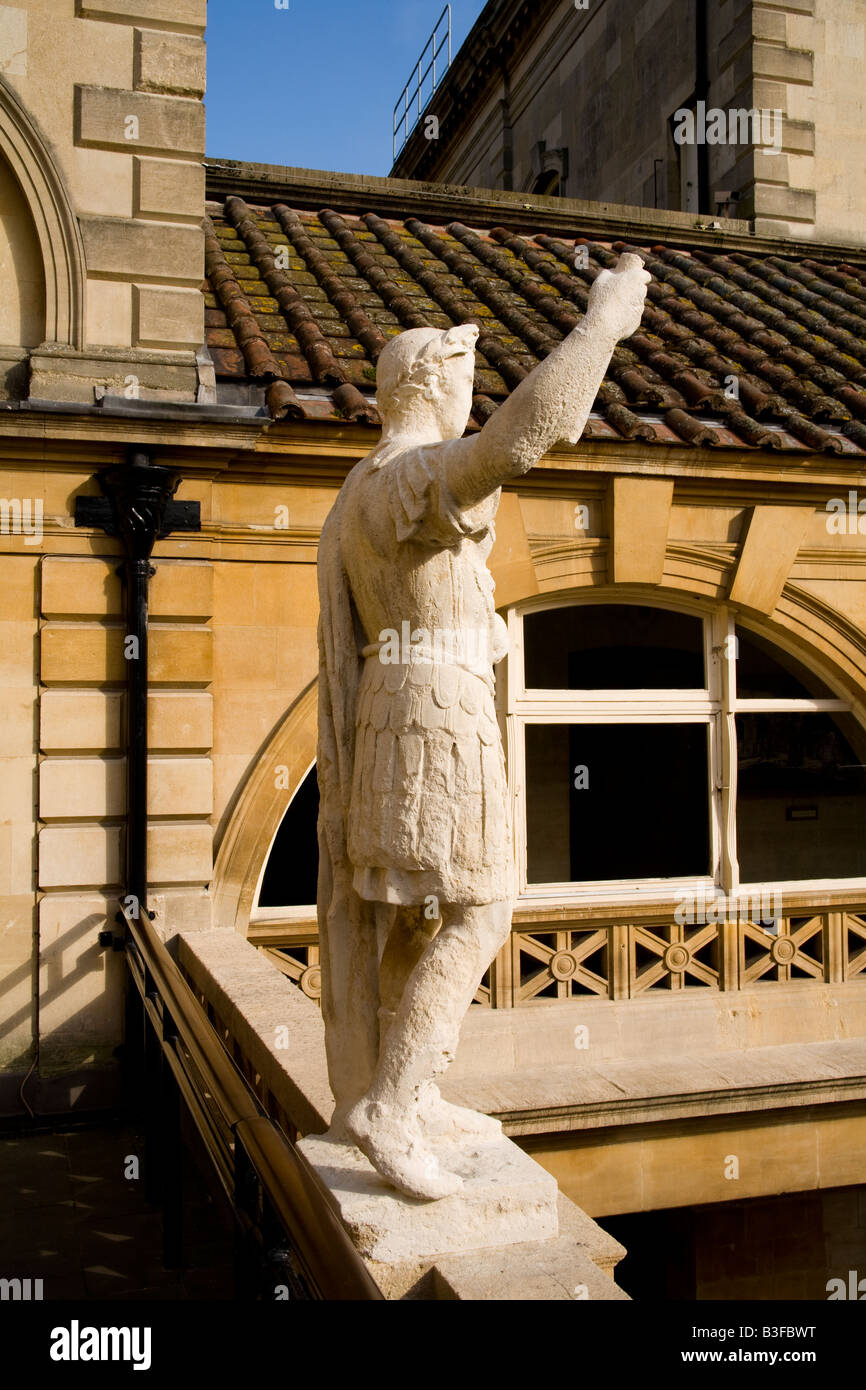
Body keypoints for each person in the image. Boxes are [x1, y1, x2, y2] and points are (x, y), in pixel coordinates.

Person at [316, 251, 650, 1199]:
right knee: (481, 906)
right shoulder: (405, 477)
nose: (474, 395)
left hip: (422, 707)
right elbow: (518, 441)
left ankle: (404, 1091)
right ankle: (391, 1104)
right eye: (466, 375)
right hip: (430, 716)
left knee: (421, 913)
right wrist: (603, 324)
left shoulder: (370, 485)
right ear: (433, 383)